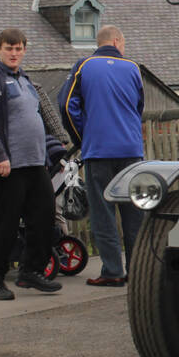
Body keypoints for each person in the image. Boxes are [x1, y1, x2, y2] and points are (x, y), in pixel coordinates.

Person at [0, 28, 62, 300]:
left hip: (34, 164)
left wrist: (46, 156)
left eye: (19, 48)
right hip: (5, 166)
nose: (14, 53)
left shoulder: (25, 80)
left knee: (44, 218)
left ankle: (31, 271)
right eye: (9, 48)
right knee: (3, 224)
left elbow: (35, 121)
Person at [59, 24, 144, 287]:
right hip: (131, 151)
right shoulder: (133, 68)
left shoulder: (84, 66)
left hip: (100, 151)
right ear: (118, 42)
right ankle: (138, 270)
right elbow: (138, 106)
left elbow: (66, 104)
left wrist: (83, 138)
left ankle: (112, 271)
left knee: (103, 212)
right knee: (134, 214)